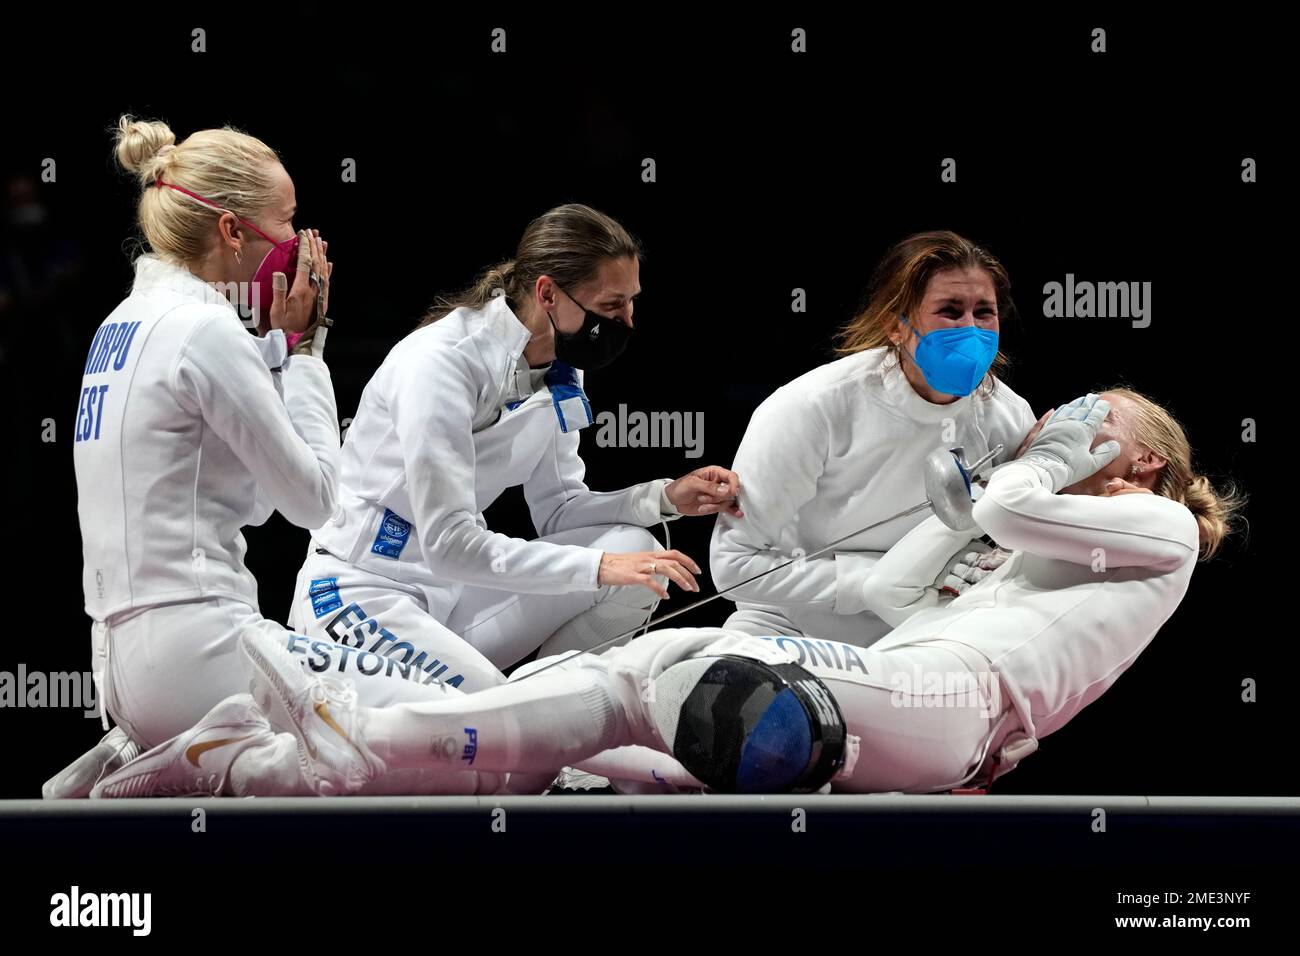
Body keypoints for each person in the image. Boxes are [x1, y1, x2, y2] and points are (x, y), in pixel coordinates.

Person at [89, 390, 1241, 798]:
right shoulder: (1040, 537)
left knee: (658, 671)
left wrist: (1012, 473)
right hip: (908, 682)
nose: (1065, 426)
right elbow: (895, 589)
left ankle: (350, 739)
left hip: (949, 701)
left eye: (1096, 423)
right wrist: (953, 505)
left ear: (1138, 460)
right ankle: (258, 763)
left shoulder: (1153, 526)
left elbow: (1007, 509)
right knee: (598, 722)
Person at [46, 115, 459, 800]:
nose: (301, 245)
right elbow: (316, 501)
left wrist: (273, 353)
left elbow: (251, 493)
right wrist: (305, 350)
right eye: (289, 221)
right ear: (233, 231)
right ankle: (199, 763)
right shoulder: (205, 328)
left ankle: (175, 759)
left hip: (123, 665)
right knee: (441, 719)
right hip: (203, 647)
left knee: (377, 747)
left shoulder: (120, 324)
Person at [285, 204, 741, 692]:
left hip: (451, 597)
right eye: (612, 306)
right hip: (359, 594)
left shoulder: (562, 369)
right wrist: (599, 566)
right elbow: (450, 544)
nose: (627, 321)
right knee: (506, 744)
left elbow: (560, 509)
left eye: (631, 302)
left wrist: (663, 499)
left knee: (639, 554)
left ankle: (557, 719)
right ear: (548, 293)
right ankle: (534, 726)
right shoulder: (440, 363)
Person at [710, 230, 1037, 647]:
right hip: (790, 632)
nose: (970, 329)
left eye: (984, 312)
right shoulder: (812, 406)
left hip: (931, 636)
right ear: (896, 326)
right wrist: (883, 582)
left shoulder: (1009, 416)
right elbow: (734, 566)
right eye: (950, 312)